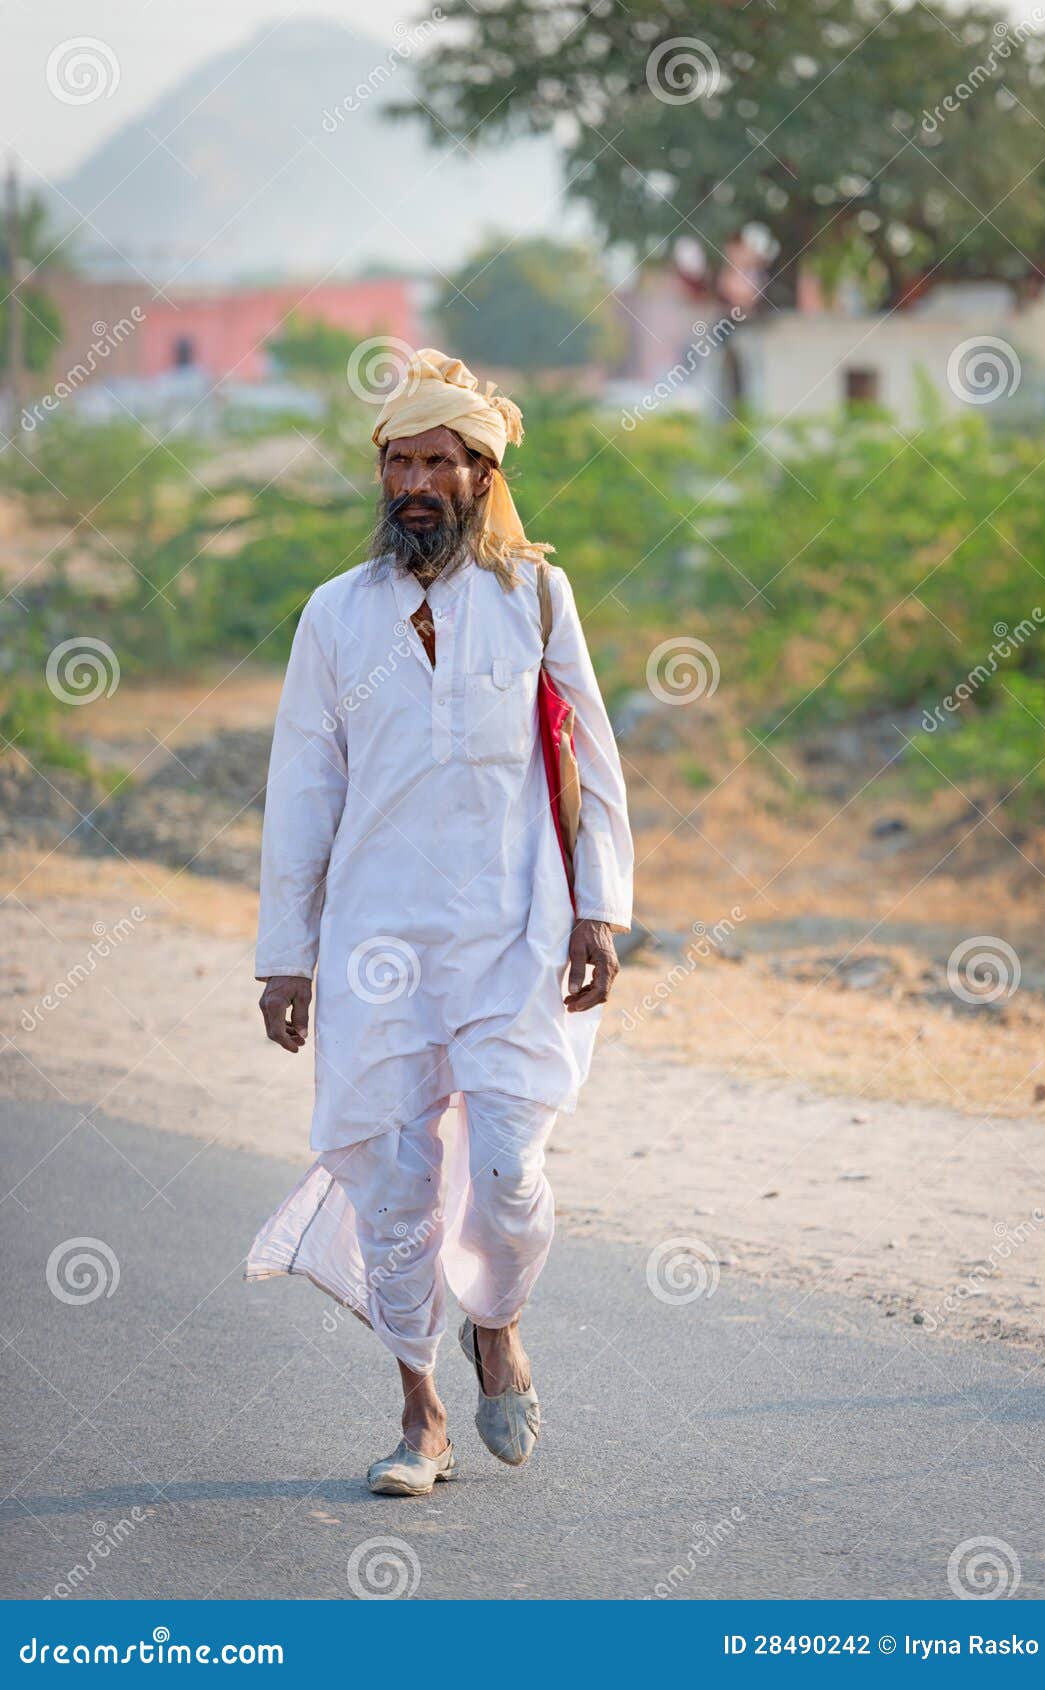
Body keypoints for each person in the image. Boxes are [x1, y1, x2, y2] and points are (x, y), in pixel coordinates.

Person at [246, 348, 633, 1496]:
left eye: (441, 461)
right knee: (397, 1187)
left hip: (514, 933)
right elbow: (301, 790)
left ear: (482, 476)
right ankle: (420, 1416)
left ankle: (496, 1322)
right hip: (375, 947)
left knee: (512, 1175)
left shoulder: (537, 597)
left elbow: (592, 760)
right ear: (383, 476)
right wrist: (287, 959)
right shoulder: (334, 615)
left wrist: (602, 909)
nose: (417, 480)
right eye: (400, 461)